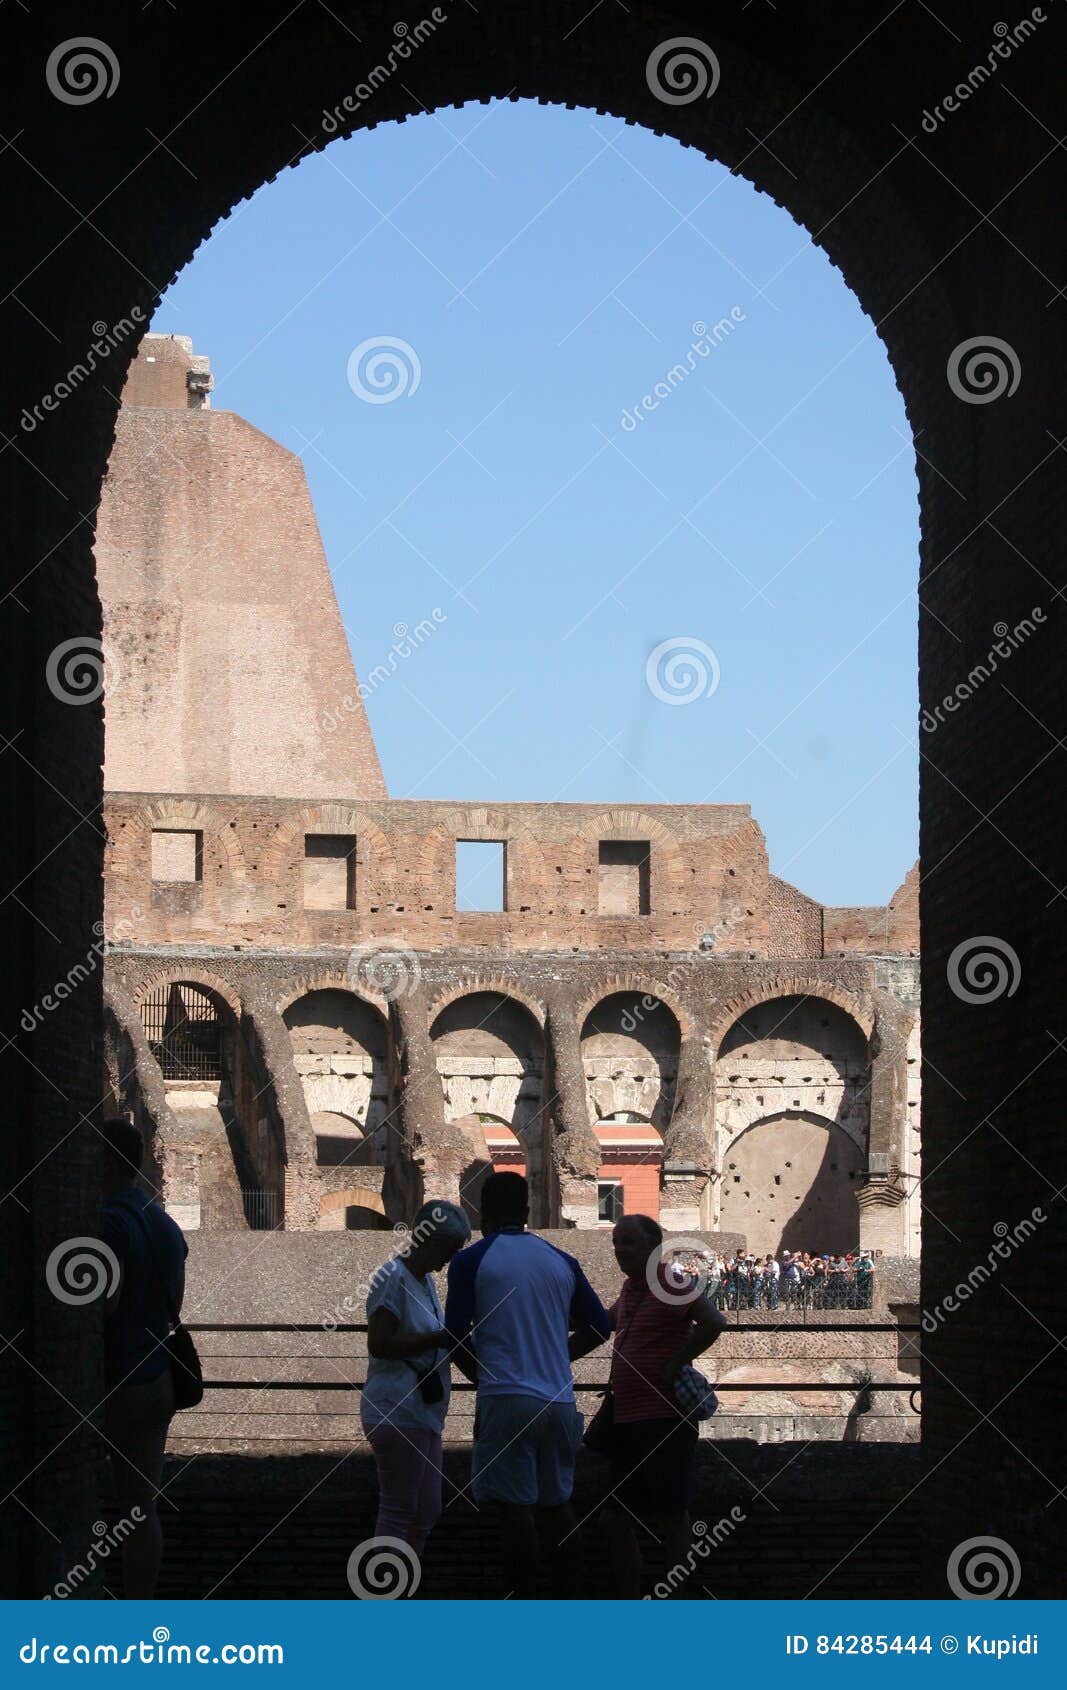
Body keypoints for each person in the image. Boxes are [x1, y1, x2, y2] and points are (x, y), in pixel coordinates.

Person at [444, 1172, 611, 1598]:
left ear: (483, 1212)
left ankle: (523, 1599)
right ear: (527, 1210)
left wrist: (482, 1376)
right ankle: (568, 1597)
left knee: (513, 1508)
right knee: (557, 1506)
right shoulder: (561, 1261)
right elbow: (599, 1327)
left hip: (506, 1398)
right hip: (558, 1399)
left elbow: (453, 1335)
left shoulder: (471, 1261)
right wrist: (557, 1356)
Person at [580, 1214, 727, 1599]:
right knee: (618, 1517)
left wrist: (676, 1361)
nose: (619, 1250)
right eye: (616, 1242)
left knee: (670, 1517)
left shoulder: (670, 1281)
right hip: (630, 1420)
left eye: (629, 1241)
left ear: (653, 1247)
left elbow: (712, 1321)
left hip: (663, 1420)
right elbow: (601, 1327)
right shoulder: (631, 1289)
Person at [98, 1116, 188, 1599]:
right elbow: (175, 1300)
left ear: (108, 1163)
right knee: (140, 1507)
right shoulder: (165, 1224)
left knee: (76, 1493)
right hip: (157, 1376)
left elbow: (102, 1308)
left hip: (113, 1379)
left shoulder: (109, 1221)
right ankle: (139, 1608)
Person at [361, 1200, 472, 1561]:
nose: (450, 1259)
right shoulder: (393, 1278)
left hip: (421, 1412)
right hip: (396, 1408)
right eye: (448, 1250)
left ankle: (403, 1585)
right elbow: (379, 1344)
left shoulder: (423, 1282)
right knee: (400, 1509)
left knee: (426, 1509)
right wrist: (437, 1339)